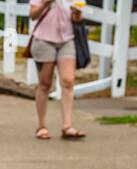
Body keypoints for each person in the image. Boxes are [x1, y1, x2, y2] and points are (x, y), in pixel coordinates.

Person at [28, 0, 86, 138]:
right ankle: (41, 126)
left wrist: (77, 14)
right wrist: (46, 3)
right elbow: (32, 15)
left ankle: (67, 125)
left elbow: (78, 18)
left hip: (67, 39)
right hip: (44, 39)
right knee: (45, 83)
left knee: (68, 81)